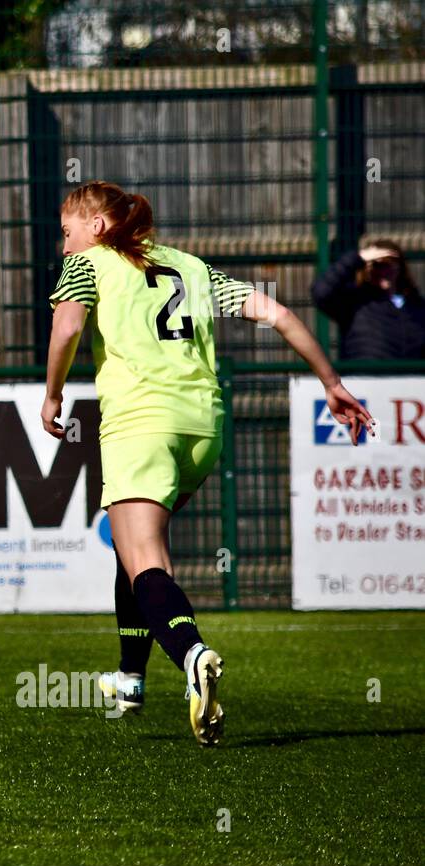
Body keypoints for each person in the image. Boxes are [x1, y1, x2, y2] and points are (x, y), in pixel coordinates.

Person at [43, 181, 370, 746]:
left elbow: (68, 327)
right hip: (202, 429)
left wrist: (52, 395)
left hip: (139, 424)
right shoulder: (192, 267)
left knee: (146, 560)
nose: (63, 240)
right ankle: (130, 679)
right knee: (134, 550)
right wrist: (332, 384)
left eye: (68, 227)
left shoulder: (89, 264)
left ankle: (193, 655)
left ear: (96, 227)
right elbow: (280, 314)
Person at [311, 238, 425, 360]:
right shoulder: (355, 302)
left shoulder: (416, 305)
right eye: (376, 265)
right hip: (367, 376)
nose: (382, 271)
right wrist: (357, 258)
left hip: (414, 377)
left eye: (387, 264)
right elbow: (321, 292)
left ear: (399, 267)